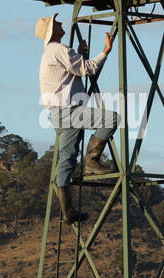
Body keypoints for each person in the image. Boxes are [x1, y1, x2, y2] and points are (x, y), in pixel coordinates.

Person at [36, 14, 119, 225]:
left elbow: (72, 72)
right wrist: (106, 52)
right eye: (57, 23)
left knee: (66, 162)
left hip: (57, 115)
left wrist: (80, 55)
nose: (61, 23)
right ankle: (92, 161)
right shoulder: (59, 49)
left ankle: (68, 211)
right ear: (51, 31)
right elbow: (88, 69)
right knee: (111, 119)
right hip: (70, 111)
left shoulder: (49, 53)